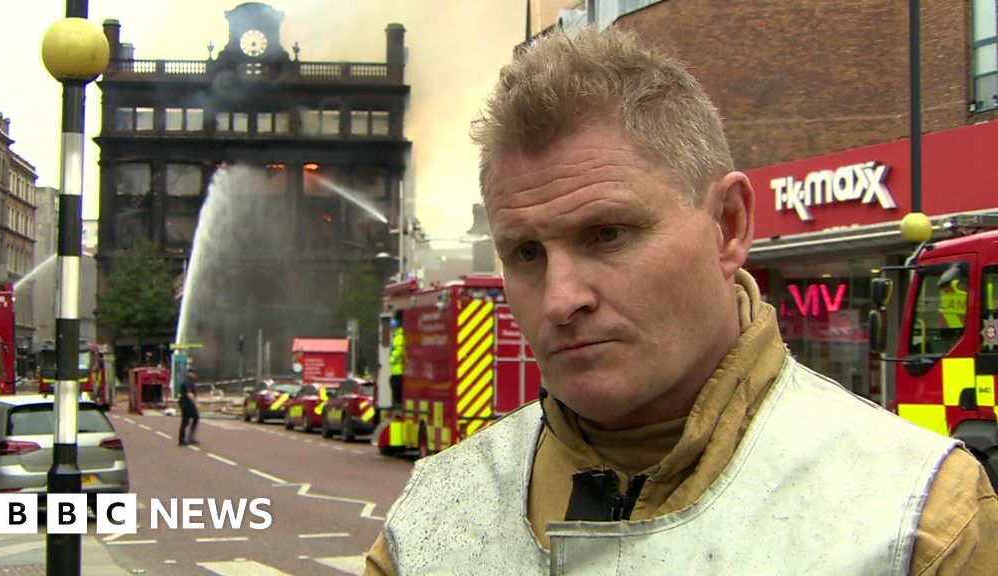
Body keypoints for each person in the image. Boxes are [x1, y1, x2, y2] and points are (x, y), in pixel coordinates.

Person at [364, 27, 997, 575]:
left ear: (727, 225)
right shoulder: (427, 524)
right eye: (526, 254)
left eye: (607, 234)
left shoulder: (919, 520)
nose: (560, 299)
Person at [178, 366, 199, 446]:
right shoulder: (187, 382)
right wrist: (195, 402)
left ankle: (191, 437)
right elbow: (189, 393)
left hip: (189, 405)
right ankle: (182, 440)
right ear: (190, 373)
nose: (195, 375)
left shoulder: (190, 381)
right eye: (193, 373)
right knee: (185, 421)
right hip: (186, 404)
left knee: (196, 418)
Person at [389, 311, 405, 408]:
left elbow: (399, 351)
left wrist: (390, 360)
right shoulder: (396, 337)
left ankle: (398, 403)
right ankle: (396, 402)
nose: (392, 329)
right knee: (394, 387)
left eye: (393, 327)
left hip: (397, 370)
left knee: (397, 388)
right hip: (394, 370)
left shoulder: (399, 337)